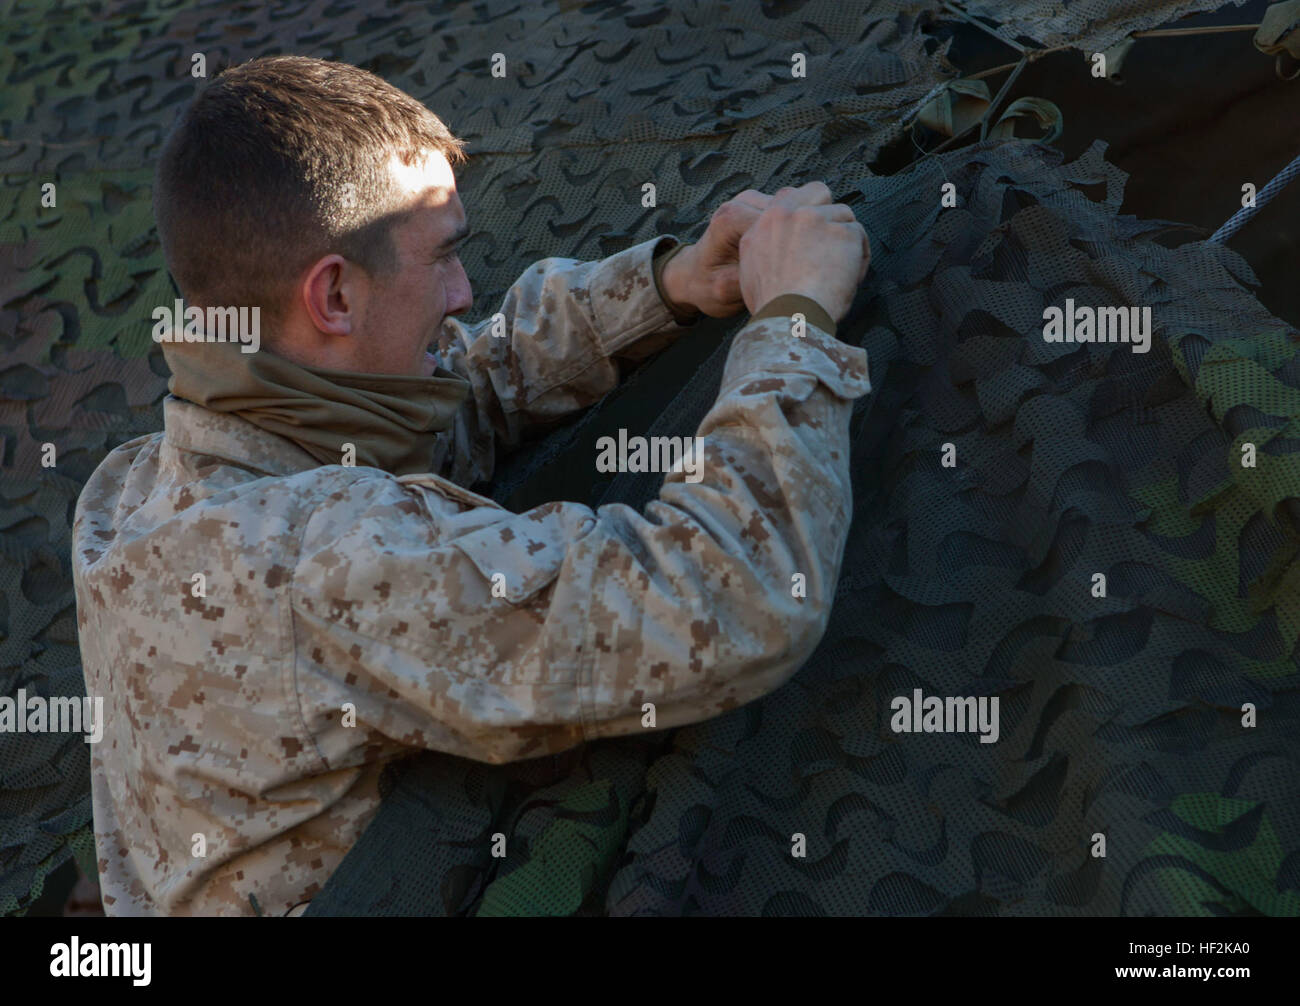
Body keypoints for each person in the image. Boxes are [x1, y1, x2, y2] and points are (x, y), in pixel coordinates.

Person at [71, 55, 871, 915]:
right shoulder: (323, 561)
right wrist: (796, 323)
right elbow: (731, 597)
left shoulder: (131, 487)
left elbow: (444, 396)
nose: (464, 291)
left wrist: (665, 288)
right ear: (334, 294)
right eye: (444, 257)